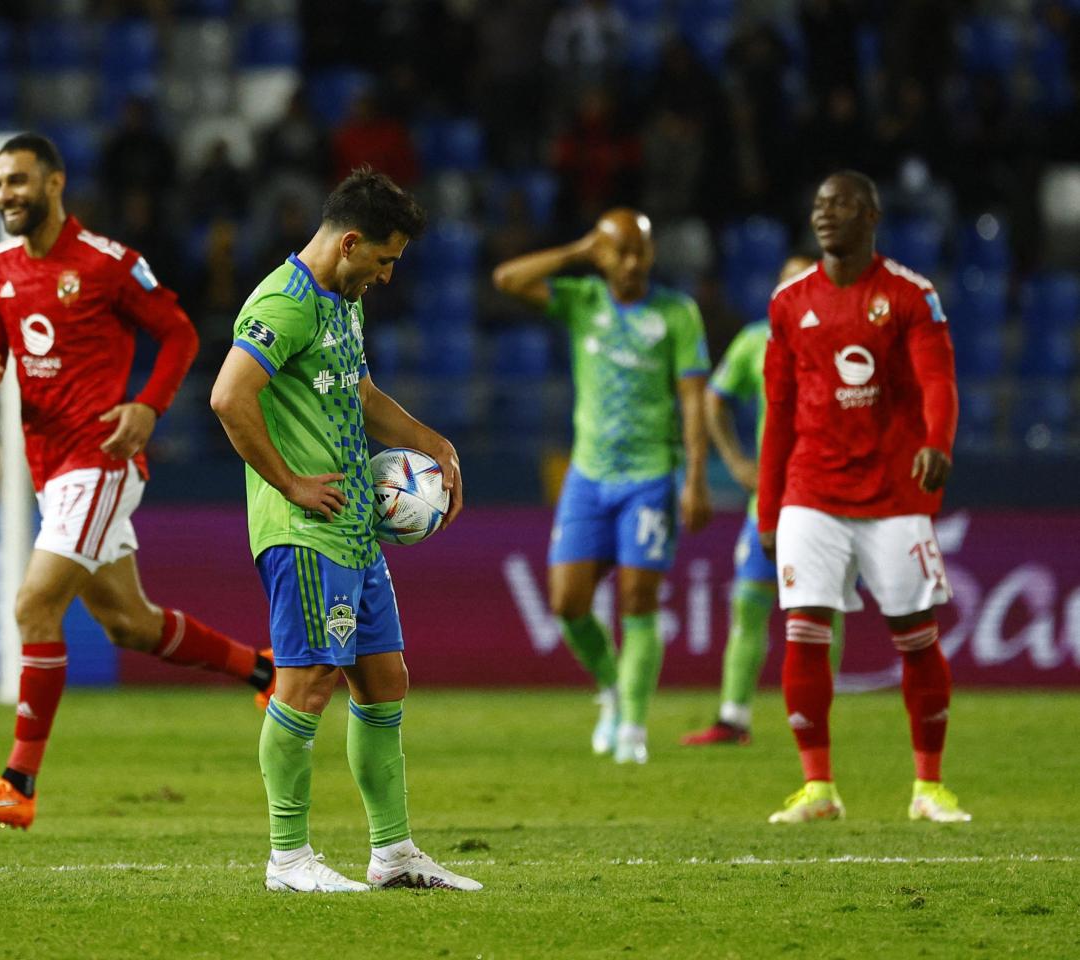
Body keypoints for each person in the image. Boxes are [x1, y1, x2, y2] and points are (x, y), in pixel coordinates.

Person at [0, 133, 276, 831]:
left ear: (55, 183)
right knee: (129, 623)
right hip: (48, 469)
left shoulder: (108, 264)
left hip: (99, 460)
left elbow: (180, 334)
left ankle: (18, 782)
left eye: (19, 181)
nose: (6, 194)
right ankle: (265, 673)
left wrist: (148, 406)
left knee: (34, 607)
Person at [210, 168, 482, 894]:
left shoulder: (343, 302)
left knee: (385, 679)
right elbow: (229, 396)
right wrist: (290, 483)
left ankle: (393, 854)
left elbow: (358, 392)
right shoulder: (284, 302)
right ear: (352, 242)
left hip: (356, 530)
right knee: (306, 684)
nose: (389, 275)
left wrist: (431, 440)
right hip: (305, 529)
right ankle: (287, 857)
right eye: (386, 260)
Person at [759, 171, 968, 824]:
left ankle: (928, 787)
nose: (826, 214)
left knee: (915, 635)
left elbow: (938, 376)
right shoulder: (790, 301)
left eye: (842, 203)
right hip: (811, 493)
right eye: (819, 204)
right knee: (804, 630)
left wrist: (938, 441)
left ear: (872, 214)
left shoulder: (910, 294)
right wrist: (770, 507)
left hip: (894, 493)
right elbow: (780, 411)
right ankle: (817, 787)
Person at [491, 208, 712, 764]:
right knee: (568, 603)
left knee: (639, 601)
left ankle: (633, 725)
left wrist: (696, 479)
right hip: (587, 475)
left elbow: (691, 400)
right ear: (602, 254)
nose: (631, 261)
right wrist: (577, 250)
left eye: (640, 250)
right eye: (619, 251)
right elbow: (506, 280)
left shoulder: (676, 313)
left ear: (653, 253)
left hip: (650, 477)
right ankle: (612, 689)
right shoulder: (583, 300)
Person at [681, 255, 846, 747]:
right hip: (770, 505)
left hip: (828, 503)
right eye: (785, 280)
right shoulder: (758, 340)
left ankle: (819, 716)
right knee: (749, 606)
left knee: (820, 613)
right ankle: (733, 718)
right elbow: (715, 398)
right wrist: (735, 462)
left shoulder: (845, 338)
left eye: (803, 280)